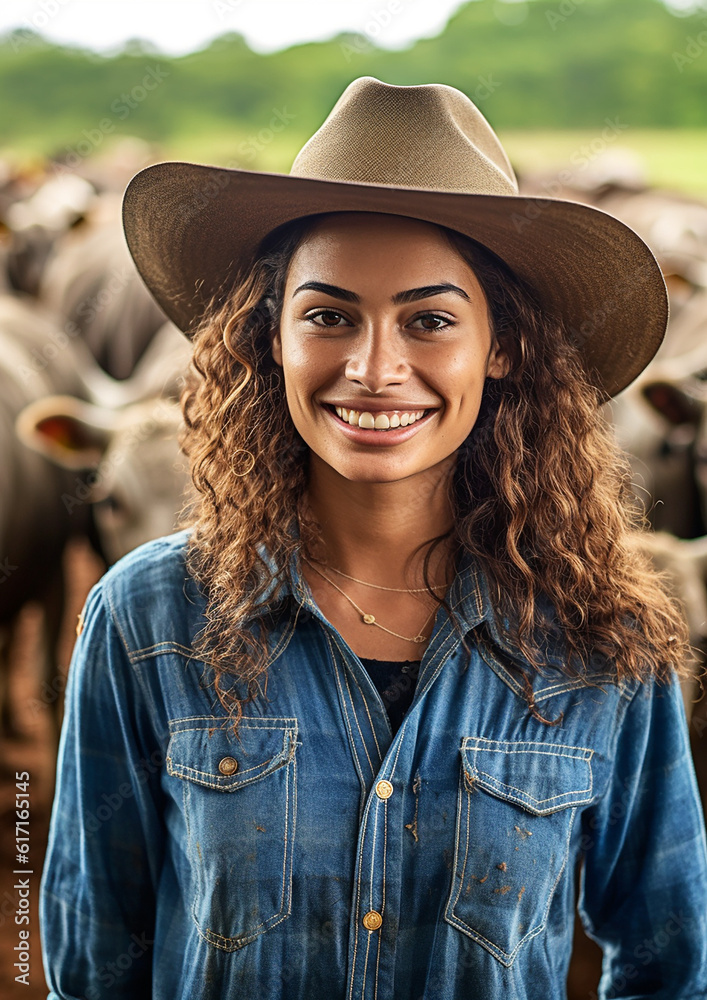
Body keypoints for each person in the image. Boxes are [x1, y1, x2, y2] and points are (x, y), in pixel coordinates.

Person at [39, 76, 707, 1000]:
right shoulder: (147, 619)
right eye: (328, 315)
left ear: (501, 346)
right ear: (267, 337)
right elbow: (93, 960)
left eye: (429, 320)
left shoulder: (601, 639)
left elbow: (670, 961)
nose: (373, 368)